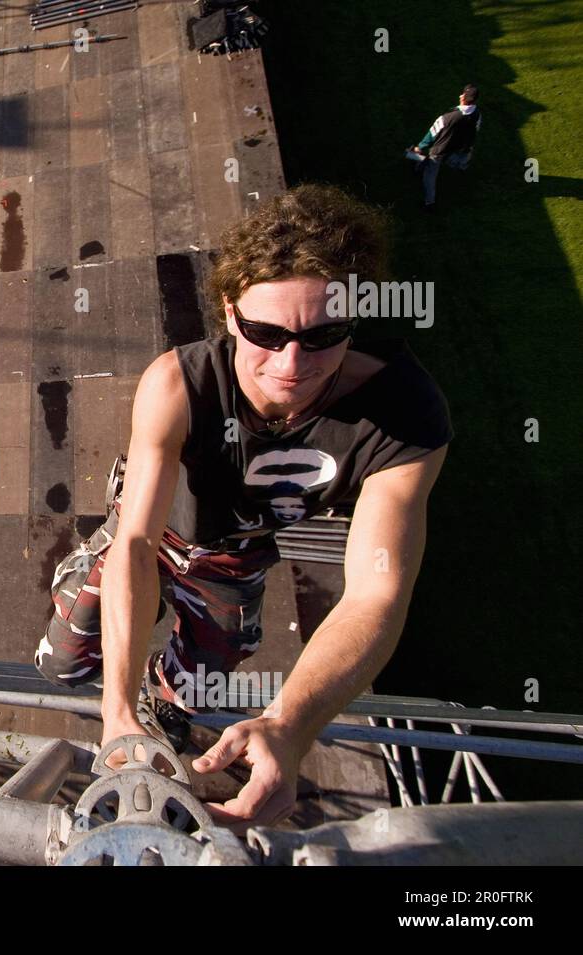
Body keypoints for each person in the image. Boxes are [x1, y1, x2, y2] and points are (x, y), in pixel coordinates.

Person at [35, 184, 453, 828]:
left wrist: (288, 726)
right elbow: (139, 545)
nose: (292, 363)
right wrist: (117, 713)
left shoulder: (407, 419)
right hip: (156, 533)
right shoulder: (179, 383)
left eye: (324, 335)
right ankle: (98, 623)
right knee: (65, 665)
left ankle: (165, 700)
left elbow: (377, 596)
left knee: (195, 683)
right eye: (265, 332)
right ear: (229, 312)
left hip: (236, 555)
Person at [405, 84, 481, 211]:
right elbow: (475, 131)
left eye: (462, 94)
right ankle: (458, 169)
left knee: (429, 176)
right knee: (457, 162)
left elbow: (432, 134)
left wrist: (420, 147)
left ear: (463, 98)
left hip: (439, 151)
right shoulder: (477, 115)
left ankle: (429, 203)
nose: (460, 95)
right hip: (458, 150)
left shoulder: (447, 117)